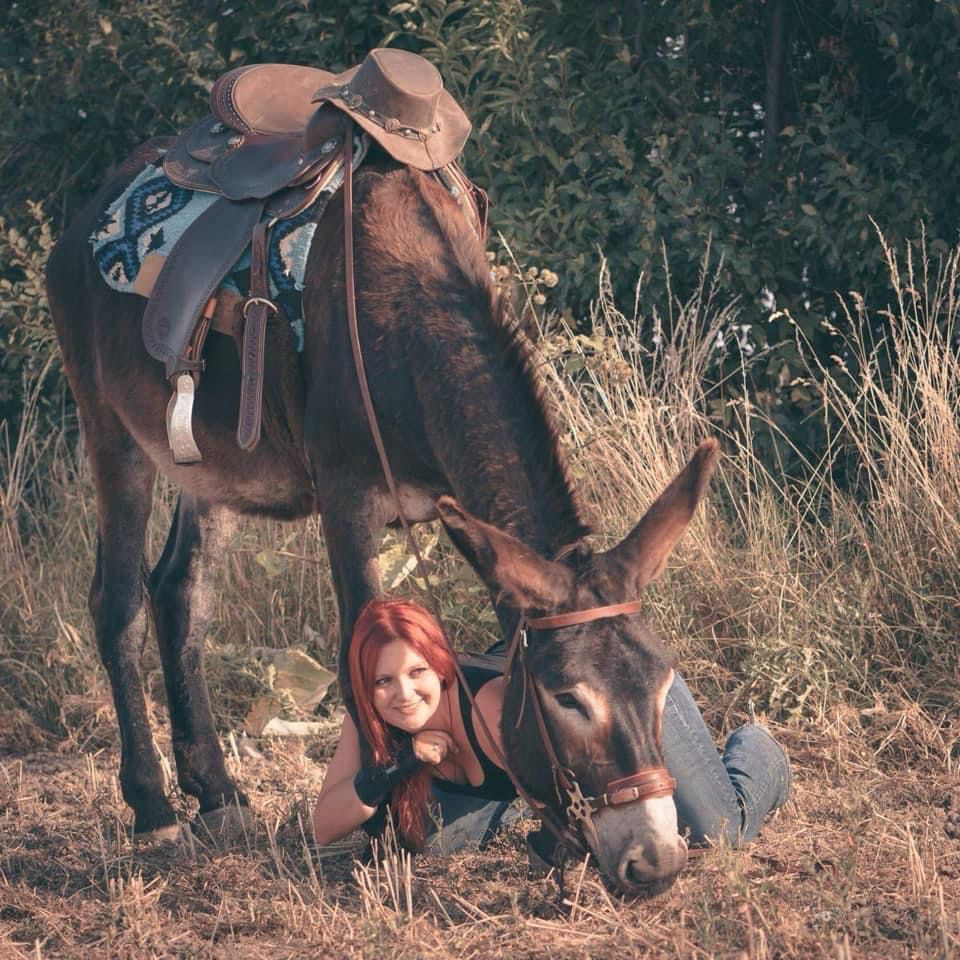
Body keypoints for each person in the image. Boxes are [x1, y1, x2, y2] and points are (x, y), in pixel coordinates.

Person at [311, 599, 791, 857]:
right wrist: (404, 762)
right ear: (365, 685)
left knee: (719, 833)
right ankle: (528, 796)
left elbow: (596, 800)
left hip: (618, 694)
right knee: (431, 840)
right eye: (382, 681)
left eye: (416, 673)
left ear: (440, 666)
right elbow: (323, 827)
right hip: (555, 752)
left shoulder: (493, 713)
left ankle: (762, 749)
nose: (403, 694)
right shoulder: (371, 717)